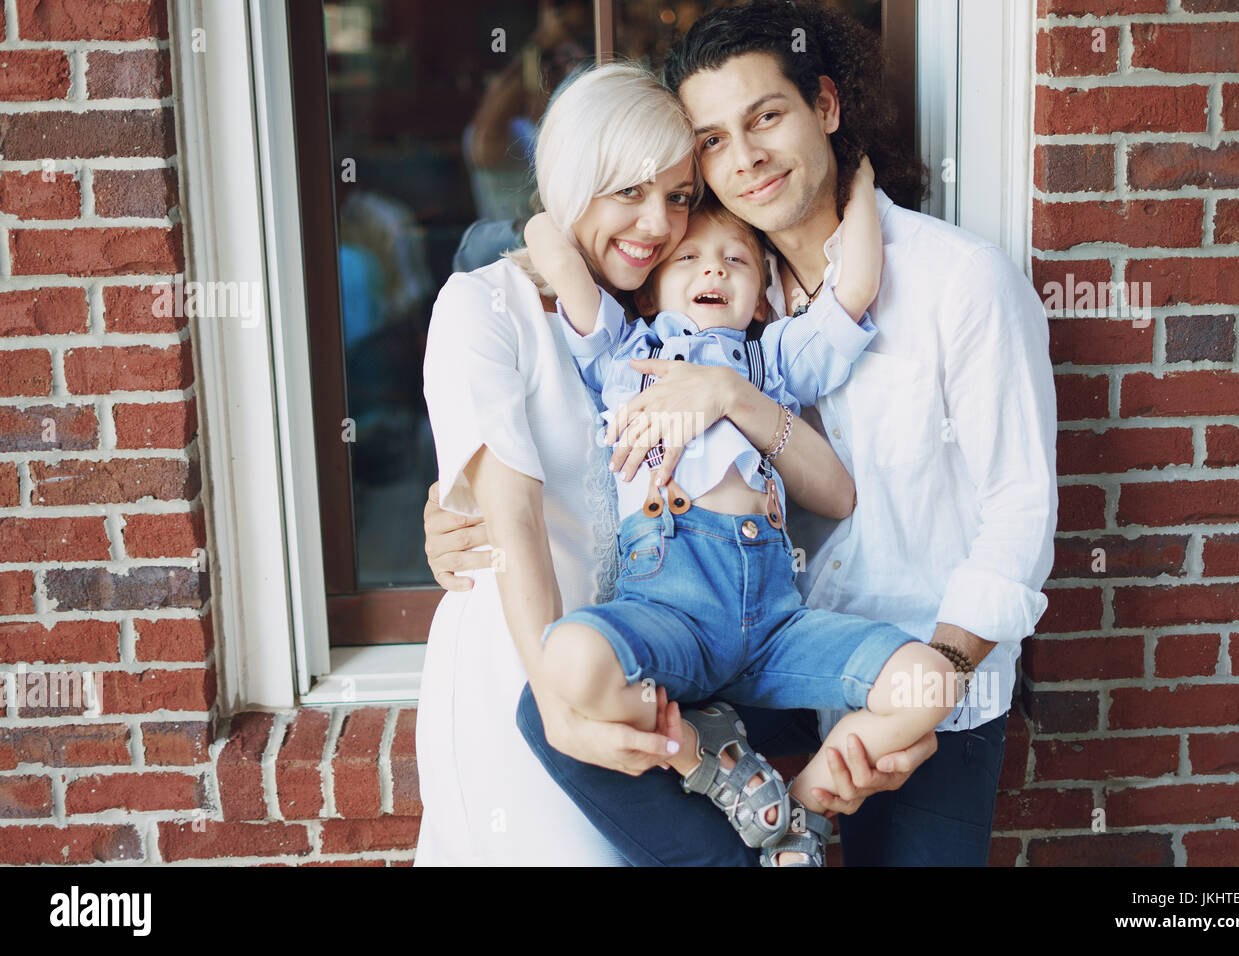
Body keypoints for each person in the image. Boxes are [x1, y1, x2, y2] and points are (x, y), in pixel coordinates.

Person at [423, 0, 1057, 866]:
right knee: (559, 701)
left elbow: (1019, 519)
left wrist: (939, 676)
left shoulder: (961, 286)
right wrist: (460, 505)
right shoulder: (701, 301)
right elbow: (536, 283)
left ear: (826, 109)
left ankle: (778, 806)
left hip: (905, 666)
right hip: (739, 654)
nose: (745, 156)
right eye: (712, 140)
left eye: (767, 117)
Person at [413, 58, 905, 866]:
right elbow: (514, 520)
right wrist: (554, 699)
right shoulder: (486, 306)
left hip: (651, 664)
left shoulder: (670, 328)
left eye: (678, 196)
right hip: (527, 665)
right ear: (575, 181)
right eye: (628, 192)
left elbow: (800, 473)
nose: (657, 224)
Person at [524, 172, 961, 865]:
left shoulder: (771, 362)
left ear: (761, 297)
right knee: (569, 662)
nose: (713, 269)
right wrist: (587, 209)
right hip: (667, 611)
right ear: (648, 287)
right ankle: (710, 755)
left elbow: (853, 292)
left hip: (777, 624)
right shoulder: (623, 353)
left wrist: (860, 189)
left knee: (934, 681)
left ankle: (805, 805)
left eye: (736, 260)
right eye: (689, 259)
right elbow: (548, 241)